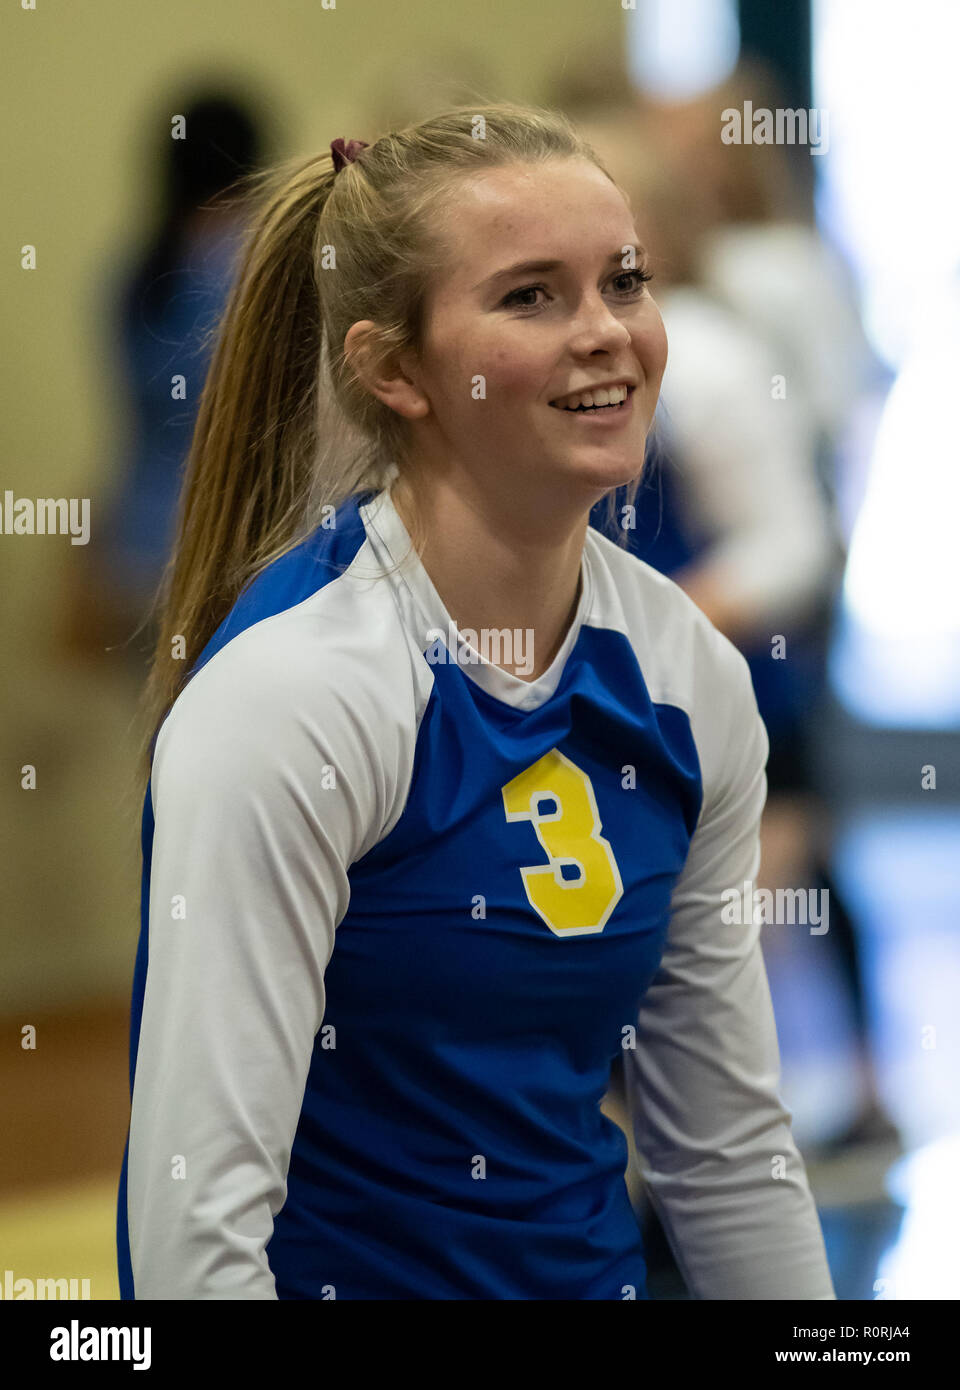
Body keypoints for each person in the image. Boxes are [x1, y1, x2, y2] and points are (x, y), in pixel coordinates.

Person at [116, 101, 836, 1300]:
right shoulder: (296, 699)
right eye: (531, 297)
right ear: (395, 369)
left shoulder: (686, 678)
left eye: (623, 281)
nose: (606, 333)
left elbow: (724, 1152)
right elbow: (196, 1227)